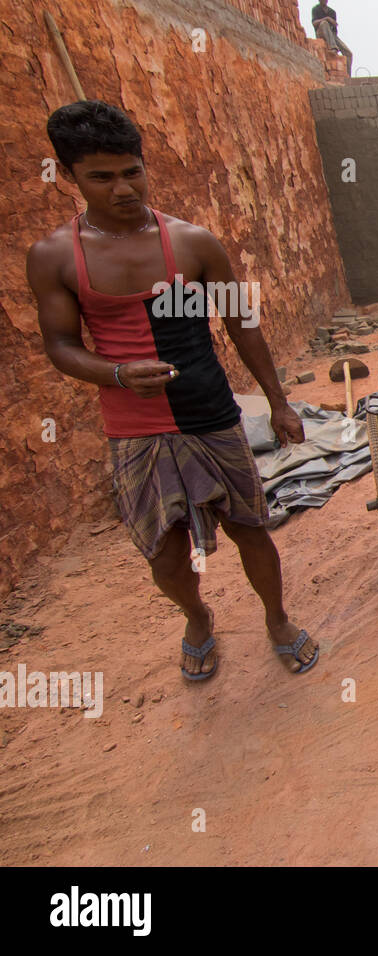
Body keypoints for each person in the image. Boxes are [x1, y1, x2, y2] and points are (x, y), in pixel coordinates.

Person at [26, 101, 319, 682]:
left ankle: (277, 619)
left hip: (208, 410)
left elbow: (241, 323)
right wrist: (115, 373)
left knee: (250, 528)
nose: (122, 189)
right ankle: (198, 617)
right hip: (135, 423)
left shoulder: (191, 243)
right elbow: (60, 344)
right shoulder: (56, 255)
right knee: (164, 553)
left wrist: (279, 401)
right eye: (101, 178)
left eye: (131, 171)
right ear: (68, 177)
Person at [311, 1, 353, 76]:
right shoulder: (315, 9)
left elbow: (335, 28)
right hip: (320, 32)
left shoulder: (332, 12)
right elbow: (314, 23)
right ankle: (333, 47)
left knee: (349, 53)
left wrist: (332, 22)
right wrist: (327, 18)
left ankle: (348, 76)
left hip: (332, 35)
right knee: (324, 23)